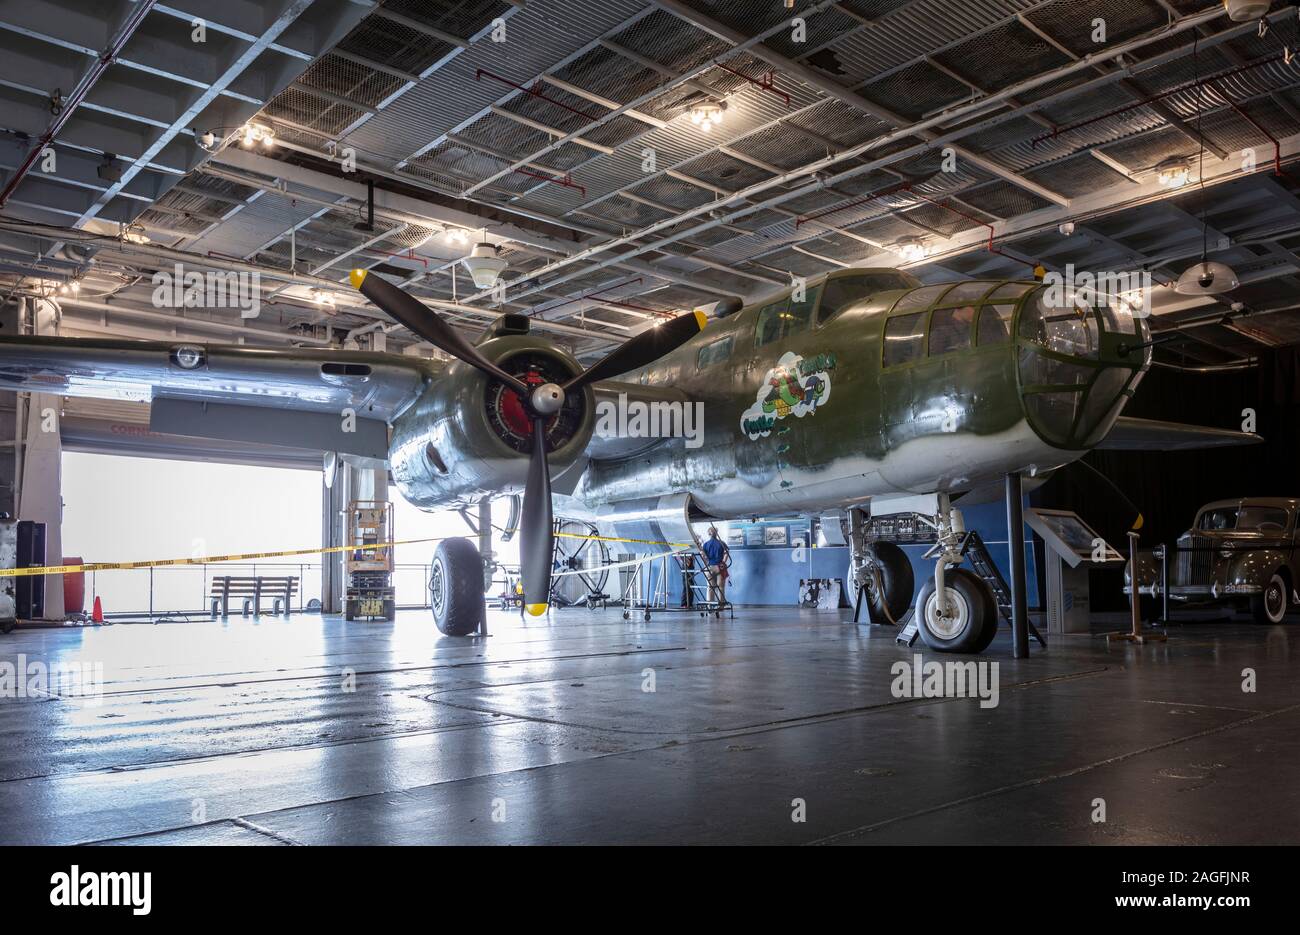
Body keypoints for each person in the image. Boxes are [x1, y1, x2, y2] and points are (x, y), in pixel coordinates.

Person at [700, 527, 732, 607]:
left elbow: (703, 556)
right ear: (716, 533)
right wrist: (723, 563)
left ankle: (709, 605)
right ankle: (721, 606)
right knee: (721, 587)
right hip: (719, 567)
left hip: (709, 567)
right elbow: (726, 553)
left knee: (710, 587)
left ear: (709, 533)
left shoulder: (706, 544)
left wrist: (706, 564)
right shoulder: (721, 543)